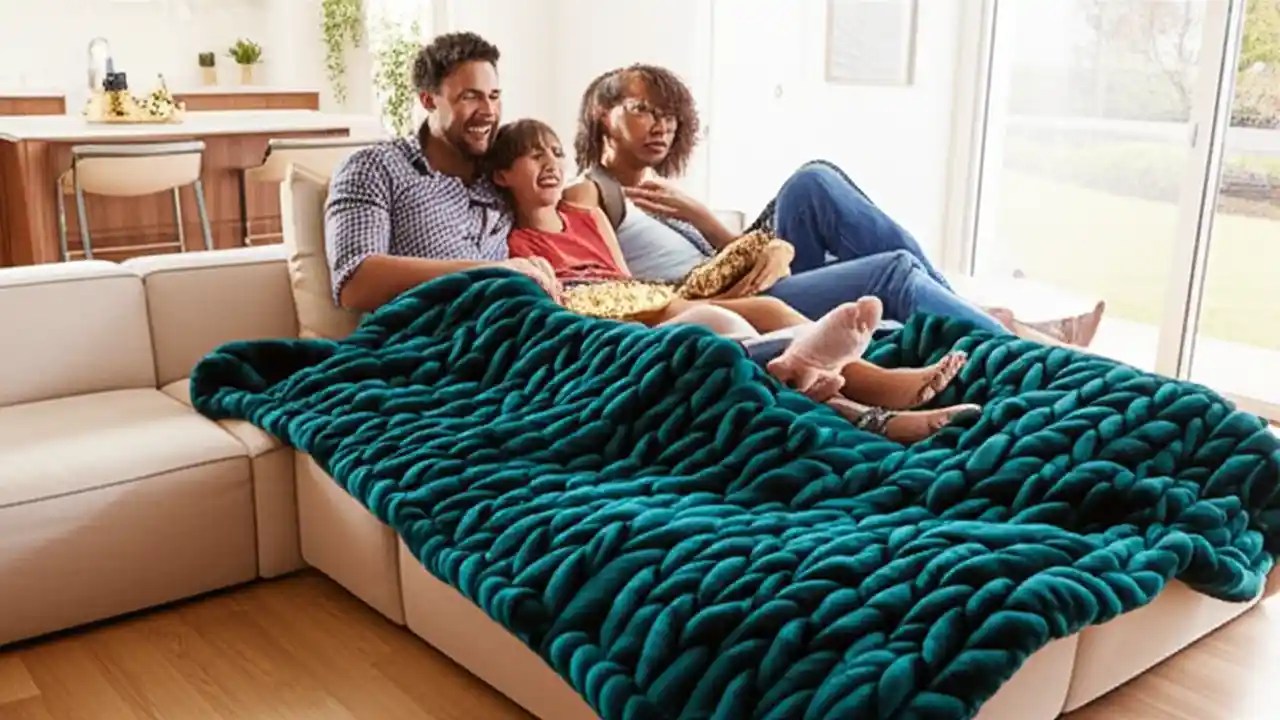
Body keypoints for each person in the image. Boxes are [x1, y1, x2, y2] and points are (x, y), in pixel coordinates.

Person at [325, 32, 978, 437]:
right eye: (470, 97)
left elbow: (570, 233)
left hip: (554, 308)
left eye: (494, 96)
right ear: (427, 100)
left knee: (763, 309)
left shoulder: (492, 183)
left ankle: (870, 386)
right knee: (708, 335)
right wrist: (490, 275)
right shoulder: (375, 168)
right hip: (473, 330)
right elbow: (354, 281)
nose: (487, 110)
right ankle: (858, 401)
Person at [490, 118, 981, 441]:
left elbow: (621, 270)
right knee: (730, 325)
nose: (550, 162)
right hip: (613, 310)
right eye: (534, 156)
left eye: (555, 152)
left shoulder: (587, 216)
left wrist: (749, 246)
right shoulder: (513, 240)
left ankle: (865, 385)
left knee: (769, 313)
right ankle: (878, 395)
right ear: (501, 177)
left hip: (657, 292)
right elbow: (555, 291)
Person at [562, 64, 1010, 335]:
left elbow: (729, 257)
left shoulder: (663, 195)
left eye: (668, 115)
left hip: (747, 276)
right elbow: (606, 287)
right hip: (724, 299)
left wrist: (703, 219)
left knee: (812, 182)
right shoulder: (593, 191)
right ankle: (1012, 345)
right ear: (604, 116)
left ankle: (975, 313)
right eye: (642, 110)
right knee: (894, 271)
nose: (660, 126)